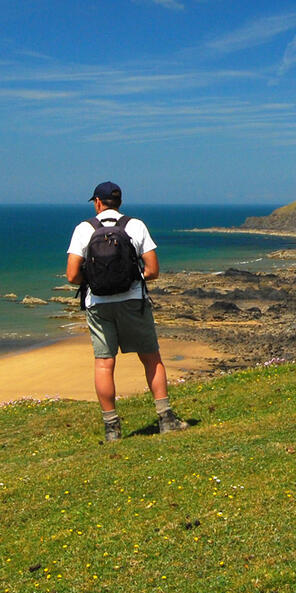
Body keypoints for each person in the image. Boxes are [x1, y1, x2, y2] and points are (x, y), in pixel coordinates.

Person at [66, 181, 189, 442]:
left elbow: (72, 275)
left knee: (104, 363)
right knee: (151, 358)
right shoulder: (135, 225)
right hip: (133, 300)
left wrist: (95, 282)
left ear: (97, 202)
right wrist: (131, 279)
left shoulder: (84, 229)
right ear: (119, 202)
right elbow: (153, 270)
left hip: (98, 305)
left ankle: (112, 428)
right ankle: (166, 418)